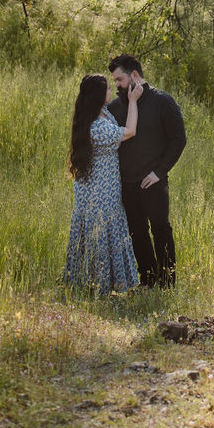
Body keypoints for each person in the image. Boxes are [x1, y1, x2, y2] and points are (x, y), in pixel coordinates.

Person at [107, 54, 186, 289]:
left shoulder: (163, 101)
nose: (117, 85)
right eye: (114, 81)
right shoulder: (115, 107)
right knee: (137, 233)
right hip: (127, 184)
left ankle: (167, 283)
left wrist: (160, 172)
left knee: (161, 229)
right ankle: (148, 281)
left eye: (119, 79)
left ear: (134, 75)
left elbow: (178, 139)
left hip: (154, 181)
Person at [64, 70, 144, 295]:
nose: (112, 90)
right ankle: (99, 285)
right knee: (101, 229)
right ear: (98, 96)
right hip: (100, 188)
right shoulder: (97, 127)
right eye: (108, 88)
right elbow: (130, 131)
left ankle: (95, 283)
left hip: (97, 185)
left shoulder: (100, 114)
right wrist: (133, 100)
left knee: (99, 229)